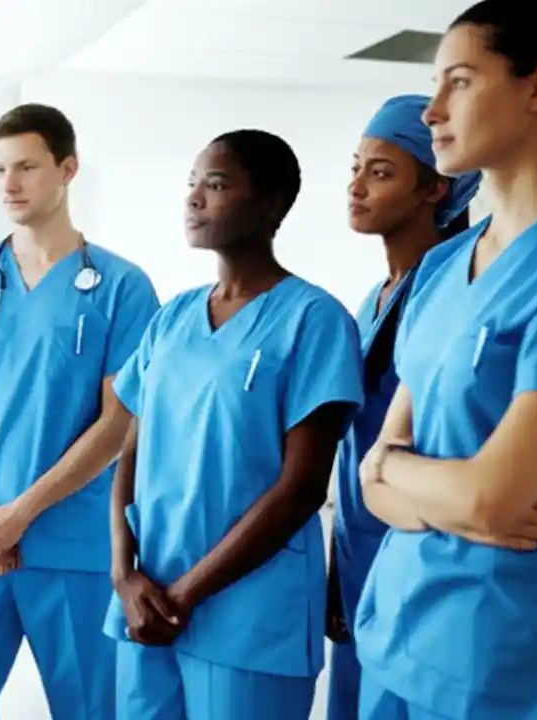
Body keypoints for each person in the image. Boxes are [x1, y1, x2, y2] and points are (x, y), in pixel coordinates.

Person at [352, 2, 537, 718]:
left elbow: (495, 499)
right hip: (396, 637)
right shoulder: (443, 266)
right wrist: (404, 475)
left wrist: (402, 471)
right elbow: (373, 483)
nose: (431, 111)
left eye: (459, 81)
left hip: (505, 667)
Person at [105, 129, 362, 719]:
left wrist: (186, 595)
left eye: (216, 185)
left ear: (270, 205)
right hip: (147, 603)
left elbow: (301, 489)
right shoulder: (172, 318)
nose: (194, 198)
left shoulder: (312, 320)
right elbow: (130, 454)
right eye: (192, 183)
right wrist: (124, 575)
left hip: (247, 615)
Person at [0, 103, 160, 719]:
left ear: (68, 169)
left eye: (26, 166)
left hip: (68, 543)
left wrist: (20, 514)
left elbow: (117, 422)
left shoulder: (120, 286)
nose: (9, 183)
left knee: (89, 708)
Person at [325, 95, 480, 720]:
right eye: (355, 167)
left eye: (381, 172)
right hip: (363, 554)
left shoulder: (452, 285)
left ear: (436, 189)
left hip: (423, 560)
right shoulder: (375, 299)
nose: (356, 187)